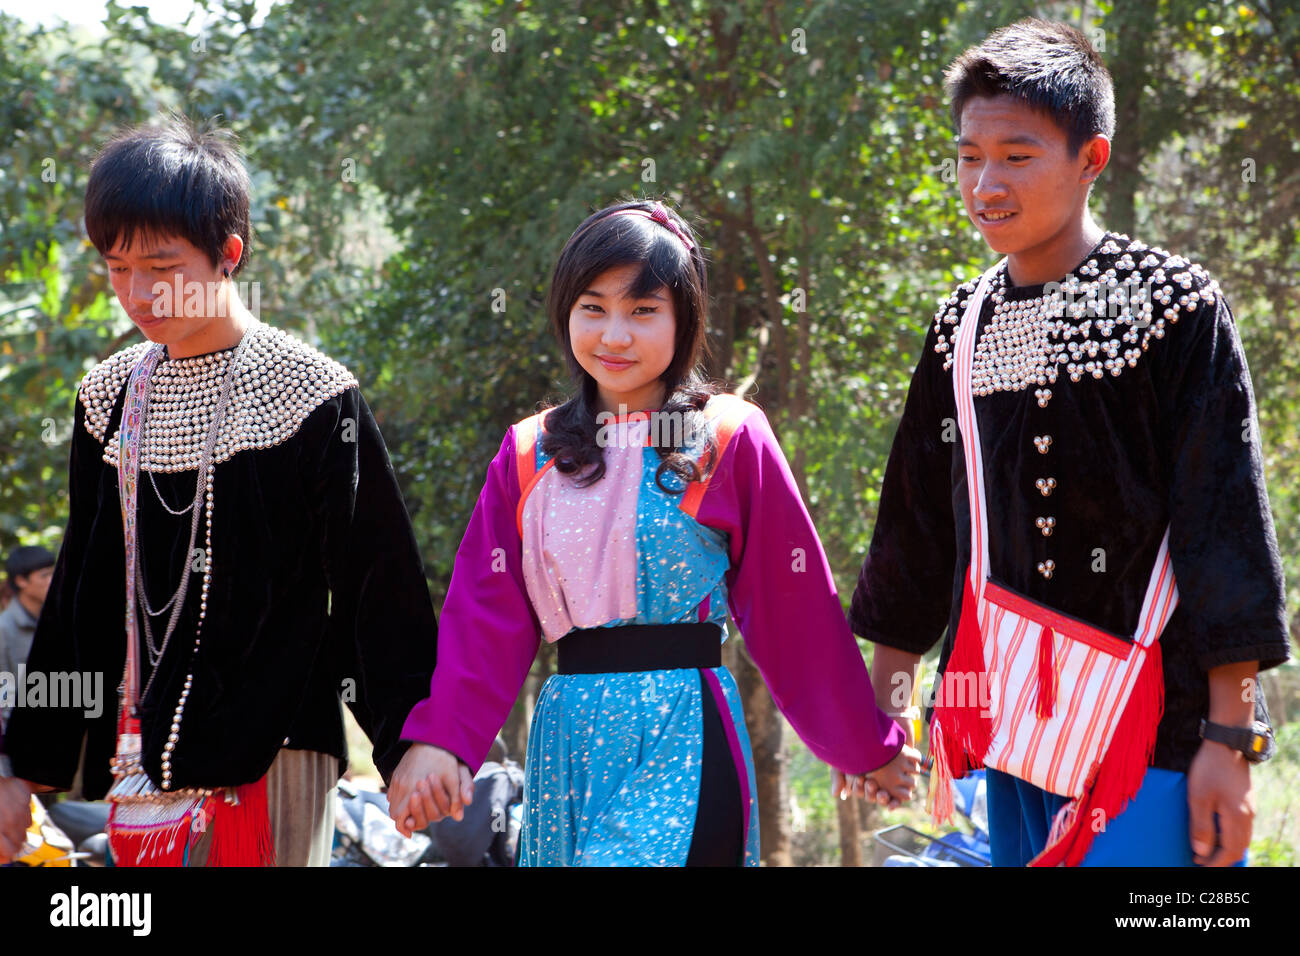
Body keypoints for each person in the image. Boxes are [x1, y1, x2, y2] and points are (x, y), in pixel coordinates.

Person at [850, 19, 1290, 867]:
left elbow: (1224, 527)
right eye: (968, 156)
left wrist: (1230, 741)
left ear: (1093, 158)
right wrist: (885, 715)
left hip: (1157, 731)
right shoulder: (960, 328)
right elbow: (916, 536)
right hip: (1006, 726)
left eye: (1017, 156)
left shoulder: (1175, 310)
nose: (985, 183)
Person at [388, 198, 921, 866]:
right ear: (565, 313)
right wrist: (444, 739)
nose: (614, 335)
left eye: (643, 311)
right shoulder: (528, 453)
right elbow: (485, 616)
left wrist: (864, 746)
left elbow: (796, 619)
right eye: (593, 307)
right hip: (567, 746)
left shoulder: (726, 437)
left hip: (683, 735)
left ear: (684, 318)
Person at [0, 114, 440, 866]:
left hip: (274, 758)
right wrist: (26, 766)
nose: (137, 293)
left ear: (228, 254)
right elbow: (82, 594)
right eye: (116, 267)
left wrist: (418, 746)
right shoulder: (108, 399)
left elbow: (379, 590)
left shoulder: (313, 395)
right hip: (140, 768)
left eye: (162, 266)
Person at [0, 547, 55, 739]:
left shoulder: (55, 622)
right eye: (44, 576)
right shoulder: (4, 629)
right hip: (19, 742)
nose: (52, 581)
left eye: (53, 574)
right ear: (21, 581)